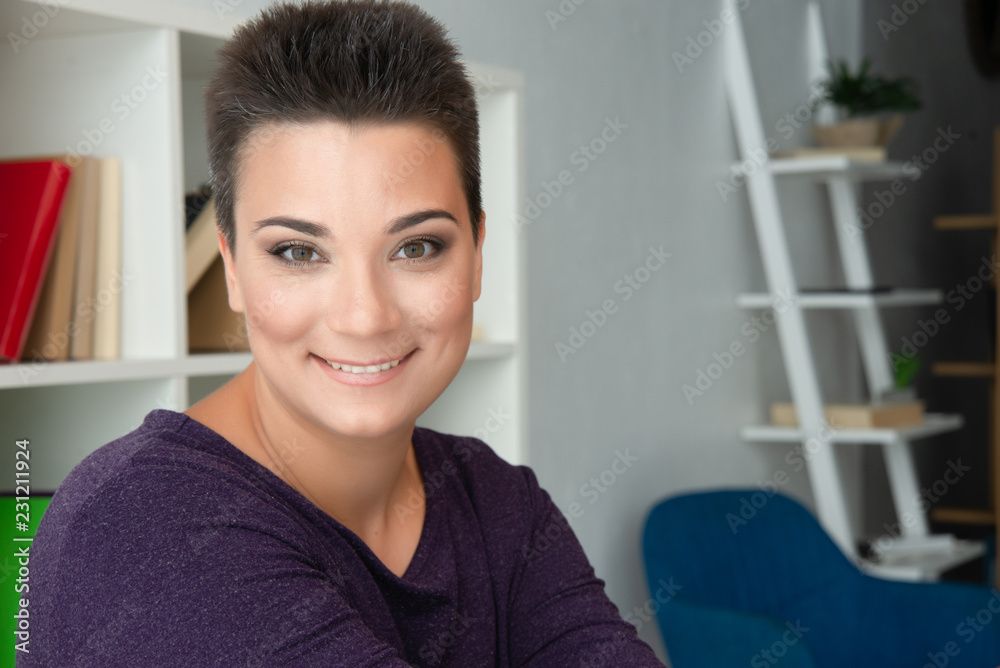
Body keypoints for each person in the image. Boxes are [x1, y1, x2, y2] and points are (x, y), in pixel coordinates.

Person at [20, 2, 665, 666]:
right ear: (233, 268)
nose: (364, 316)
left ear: (477, 253)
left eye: (415, 248)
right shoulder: (143, 525)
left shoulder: (497, 502)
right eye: (300, 253)